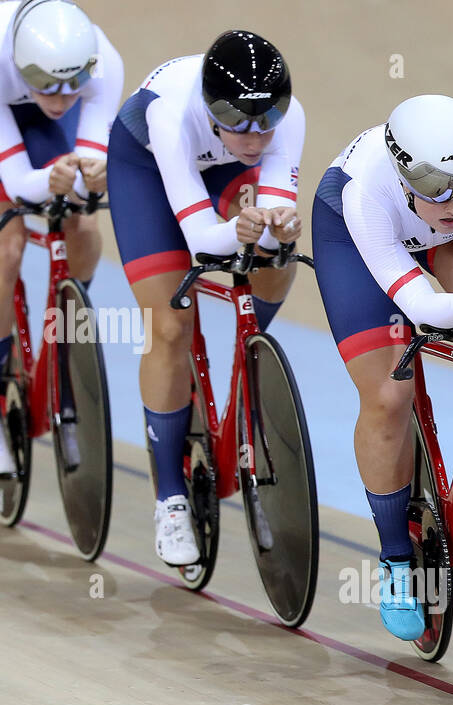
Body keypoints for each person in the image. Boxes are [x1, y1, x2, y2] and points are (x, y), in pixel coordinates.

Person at [309, 94, 453, 641]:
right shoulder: (366, 194)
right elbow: (416, 304)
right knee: (388, 397)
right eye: (435, 188)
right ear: (406, 177)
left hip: (437, 246)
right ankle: (395, 561)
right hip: (356, 247)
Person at [106, 30, 305, 566]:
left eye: (265, 120)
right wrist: (240, 227)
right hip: (145, 171)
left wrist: (275, 229)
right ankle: (169, 497)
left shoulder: (281, 123)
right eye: (236, 120)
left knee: (279, 251)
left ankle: (250, 351)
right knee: (170, 324)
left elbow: (272, 221)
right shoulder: (170, 114)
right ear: (209, 105)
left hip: (224, 178)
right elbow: (200, 238)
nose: (253, 134)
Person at [0, 0, 124, 477]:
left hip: (33, 121)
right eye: (48, 85)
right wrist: (53, 176)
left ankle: (58, 341)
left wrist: (84, 175)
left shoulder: (104, 65)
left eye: (73, 85)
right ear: (22, 68)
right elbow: (18, 183)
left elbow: (88, 162)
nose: (62, 100)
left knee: (81, 221)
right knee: (6, 242)